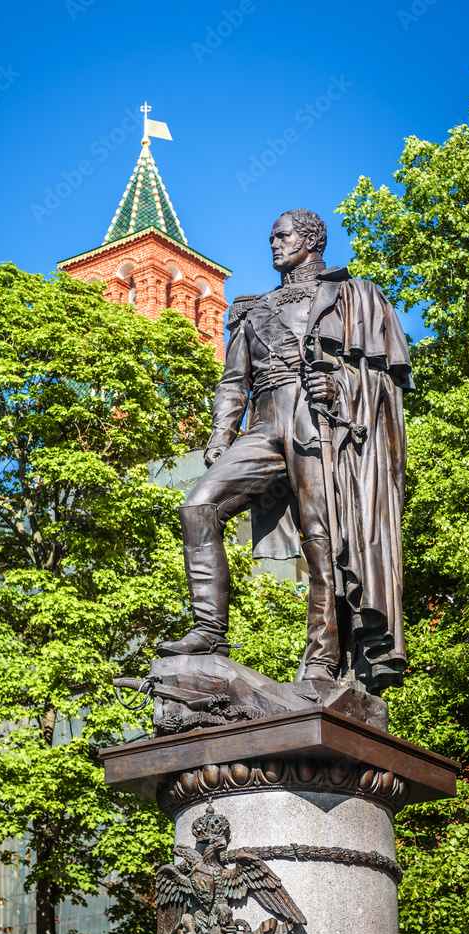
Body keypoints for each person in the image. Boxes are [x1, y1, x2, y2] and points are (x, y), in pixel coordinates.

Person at [156, 210, 413, 692]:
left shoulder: (353, 295)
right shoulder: (254, 309)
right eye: (271, 237)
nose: (273, 244)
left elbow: (384, 376)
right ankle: (209, 631)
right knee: (198, 507)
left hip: (317, 423)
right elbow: (234, 380)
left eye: (282, 235)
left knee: (322, 541)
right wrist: (220, 435)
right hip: (265, 421)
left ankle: (322, 657)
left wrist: (339, 384)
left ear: (311, 239)